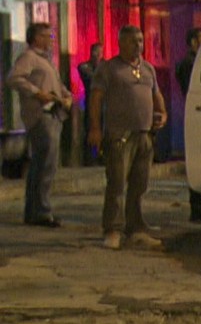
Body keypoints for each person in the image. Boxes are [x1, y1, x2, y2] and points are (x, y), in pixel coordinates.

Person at [88, 25, 167, 250]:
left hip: (144, 134)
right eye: (134, 41)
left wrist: (163, 113)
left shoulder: (148, 69)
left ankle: (136, 229)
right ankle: (113, 229)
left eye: (141, 41)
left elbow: (156, 95)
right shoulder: (109, 69)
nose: (138, 45)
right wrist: (95, 128)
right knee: (116, 183)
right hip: (119, 134)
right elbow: (96, 98)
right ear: (122, 43)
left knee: (139, 184)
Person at [6, 22, 72, 227]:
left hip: (55, 113)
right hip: (41, 115)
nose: (50, 40)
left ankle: (34, 210)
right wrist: (37, 93)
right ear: (36, 37)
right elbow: (14, 78)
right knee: (45, 164)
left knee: (43, 164)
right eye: (46, 36)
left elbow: (55, 83)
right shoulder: (29, 57)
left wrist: (66, 95)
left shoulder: (45, 60)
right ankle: (41, 210)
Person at [175, 27, 201, 225]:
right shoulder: (189, 64)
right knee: (200, 162)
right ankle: (200, 209)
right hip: (198, 116)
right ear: (193, 42)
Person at [77, 43, 103, 166]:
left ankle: (102, 156)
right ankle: (90, 158)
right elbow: (93, 80)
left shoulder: (105, 67)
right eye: (96, 52)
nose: (98, 55)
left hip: (104, 105)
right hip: (90, 103)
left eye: (100, 53)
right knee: (90, 128)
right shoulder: (84, 66)